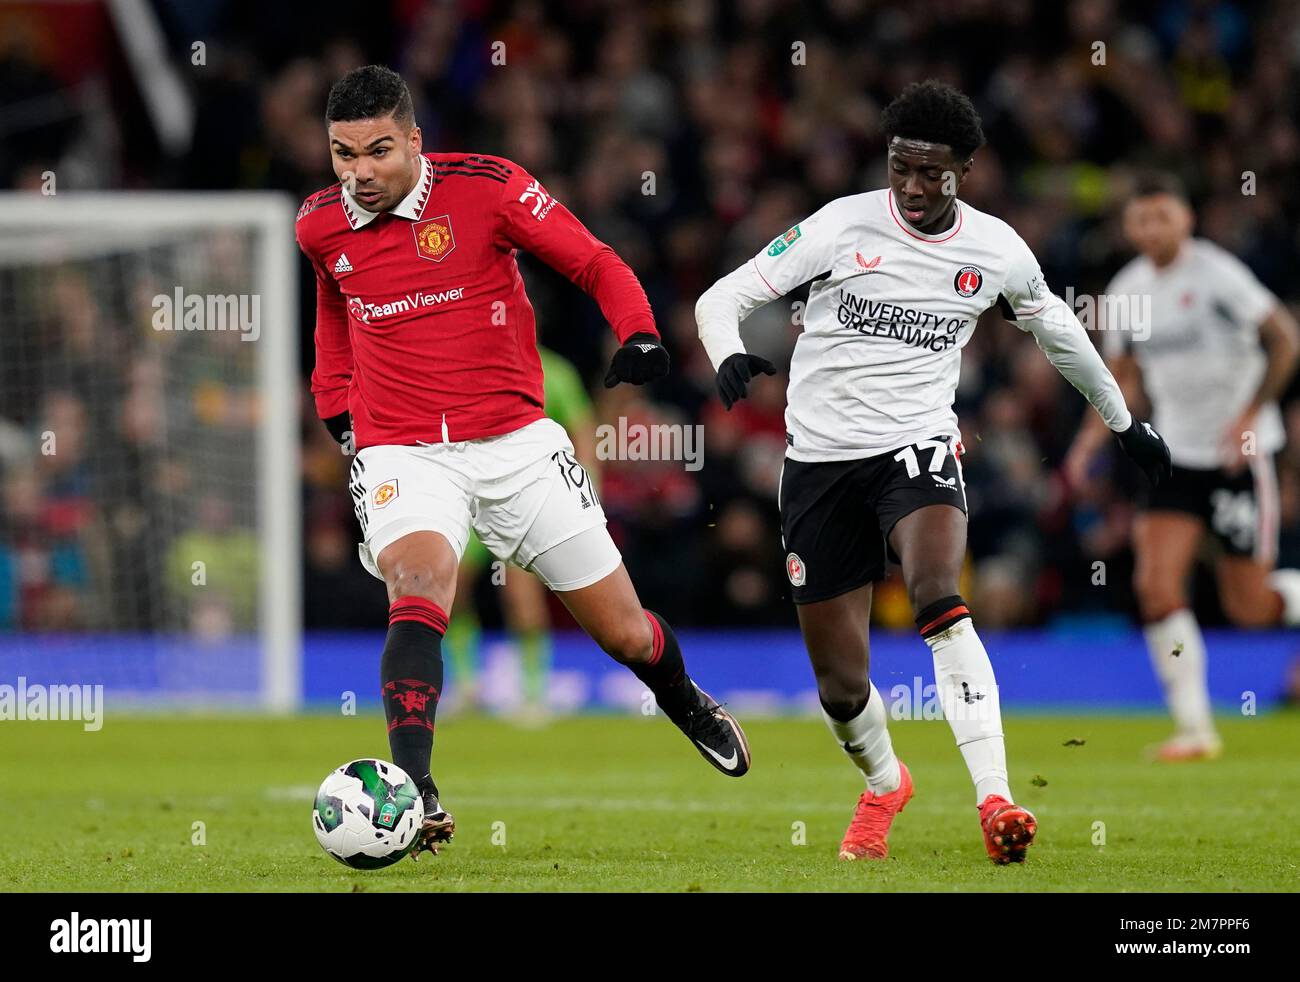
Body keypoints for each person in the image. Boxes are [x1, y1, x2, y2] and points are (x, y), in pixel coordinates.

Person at [695, 80, 1171, 864]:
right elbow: (724, 297)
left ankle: (996, 799)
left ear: (967, 169)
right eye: (900, 168)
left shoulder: (997, 250)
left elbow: (1059, 333)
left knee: (938, 598)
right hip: (817, 465)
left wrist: (1124, 424)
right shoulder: (841, 226)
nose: (913, 187)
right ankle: (885, 781)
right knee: (842, 688)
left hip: (916, 449)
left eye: (931, 172)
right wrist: (727, 358)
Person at [296, 65, 751, 858]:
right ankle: (416, 792)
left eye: (376, 152)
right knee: (419, 582)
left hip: (517, 444)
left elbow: (594, 261)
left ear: (414, 141)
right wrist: (334, 400)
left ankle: (683, 699)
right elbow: (334, 310)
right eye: (341, 155)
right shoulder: (319, 225)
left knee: (624, 634)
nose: (358, 174)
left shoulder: (490, 188)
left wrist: (639, 331)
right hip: (403, 447)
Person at [1065, 173, 1300, 761]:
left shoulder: (1217, 275)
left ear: (1186, 219)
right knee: (1155, 585)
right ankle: (1196, 729)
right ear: (1128, 225)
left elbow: (1286, 340)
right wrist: (1089, 441)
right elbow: (1121, 379)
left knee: (1251, 609)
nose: (1152, 229)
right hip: (1175, 458)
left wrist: (1250, 414)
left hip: (1236, 458)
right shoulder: (1126, 290)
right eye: (1141, 219)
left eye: (1163, 216)